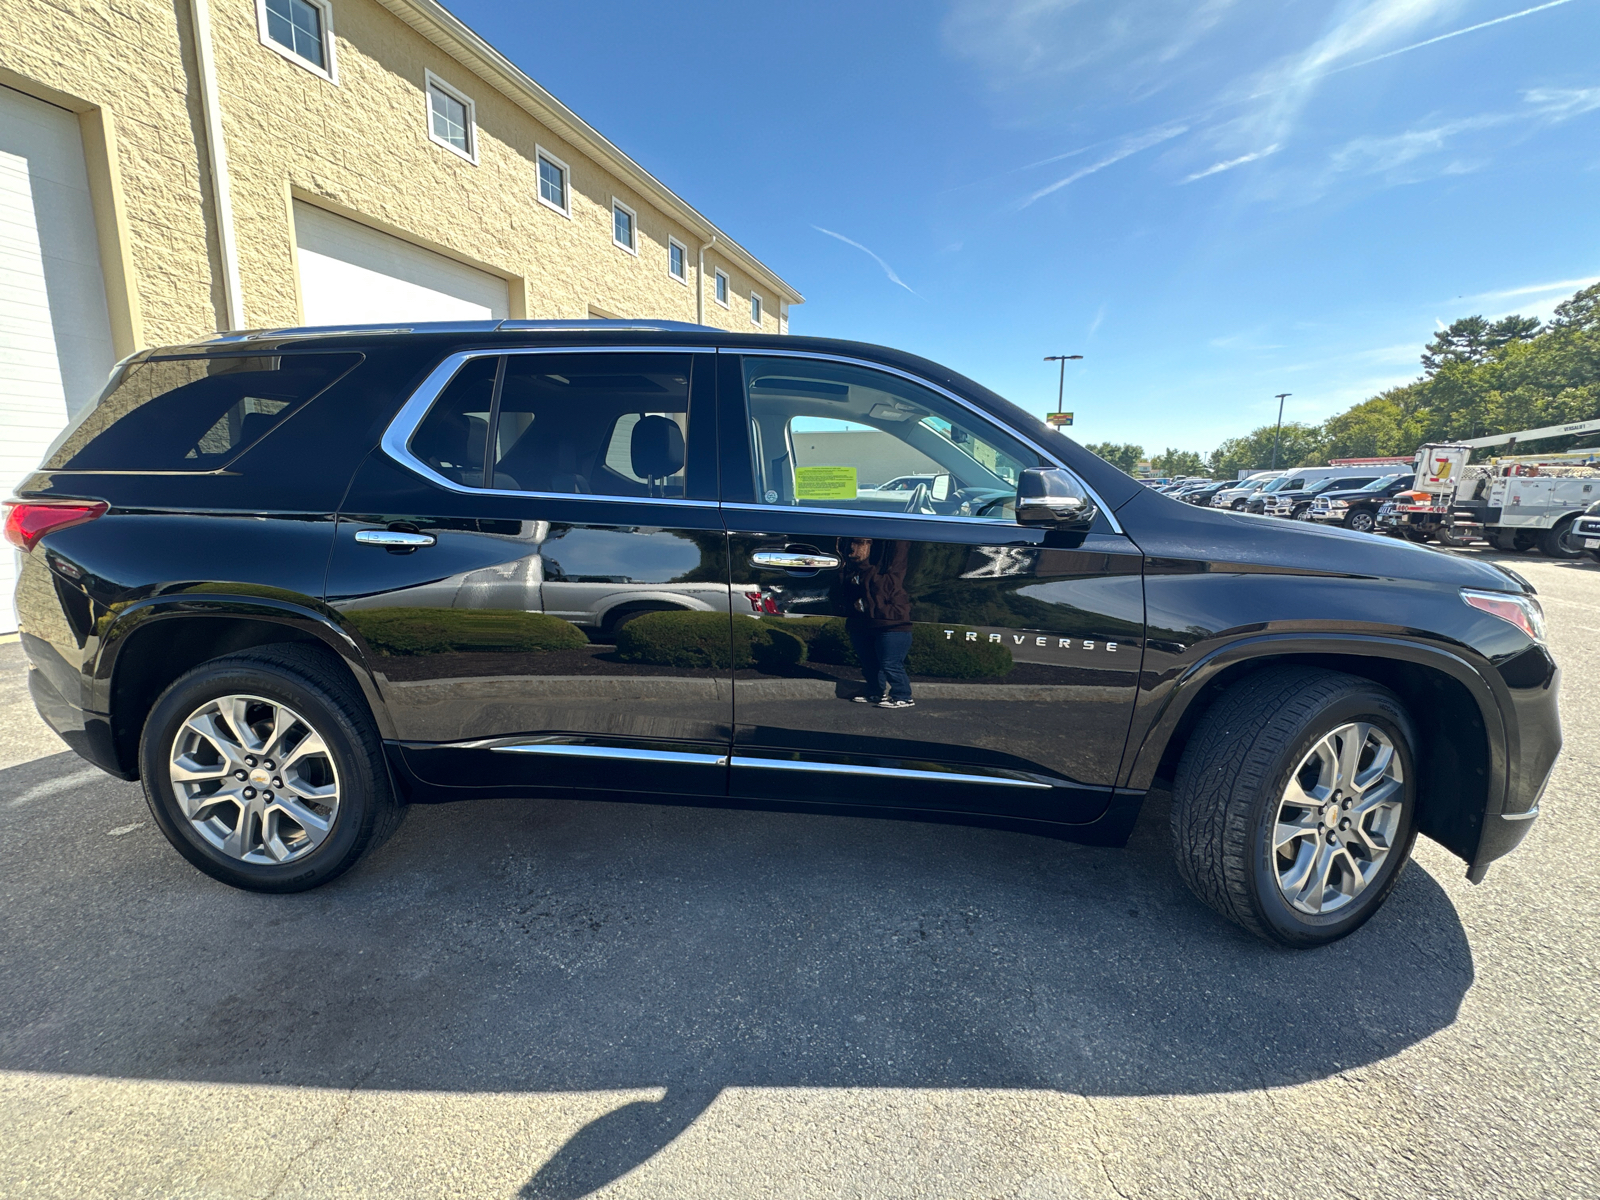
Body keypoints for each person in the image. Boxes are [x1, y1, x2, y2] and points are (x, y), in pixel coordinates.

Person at [835, 537, 914, 709]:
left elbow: (898, 551)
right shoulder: (853, 572)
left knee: (890, 664)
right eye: (852, 544)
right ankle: (875, 692)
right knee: (870, 663)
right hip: (863, 624)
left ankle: (903, 695)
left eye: (860, 544)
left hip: (892, 624)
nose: (853, 549)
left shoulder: (888, 570)